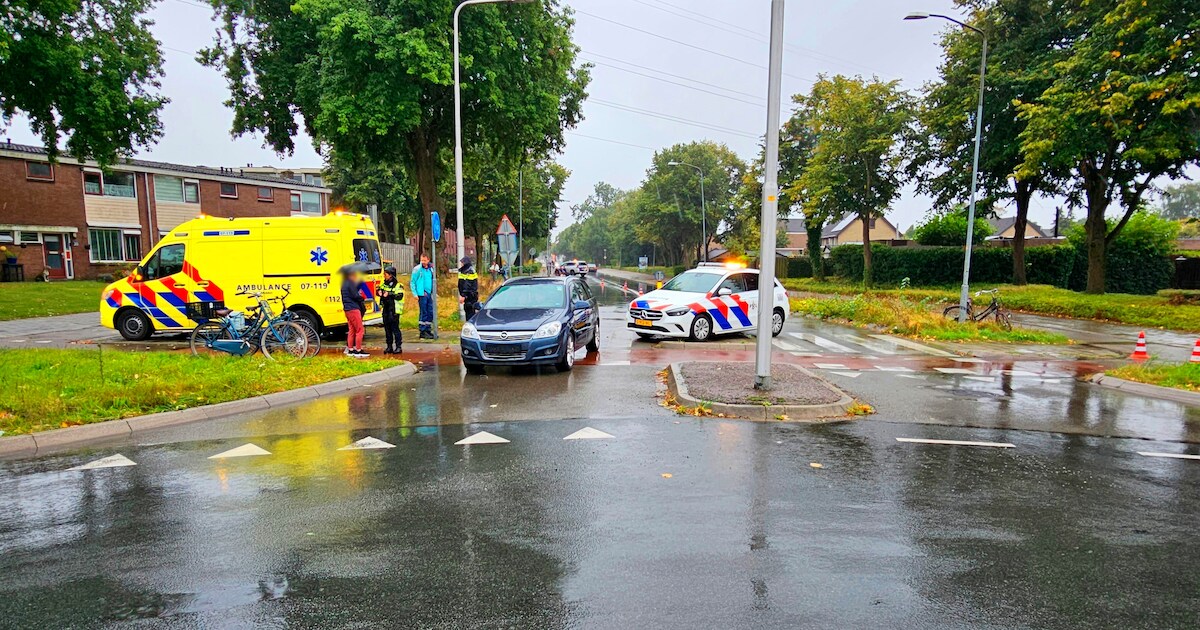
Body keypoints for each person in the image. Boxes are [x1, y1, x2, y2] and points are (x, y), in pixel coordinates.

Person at [341, 268, 368, 357]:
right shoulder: (350, 283)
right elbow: (355, 296)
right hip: (353, 308)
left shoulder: (344, 284)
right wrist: (362, 297)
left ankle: (350, 349)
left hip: (347, 309)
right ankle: (358, 349)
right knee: (360, 330)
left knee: (351, 329)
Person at [378, 266, 404, 354]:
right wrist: (379, 292)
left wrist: (389, 294)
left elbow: (399, 296)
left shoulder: (398, 285)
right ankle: (389, 346)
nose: (384, 276)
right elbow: (379, 290)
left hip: (394, 311)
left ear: (391, 275)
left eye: (385, 274)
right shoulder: (384, 284)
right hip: (385, 309)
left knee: (395, 329)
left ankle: (398, 346)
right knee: (387, 329)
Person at [410, 253, 435, 339]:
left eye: (425, 260)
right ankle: (422, 331)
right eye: (422, 260)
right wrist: (415, 294)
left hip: (429, 293)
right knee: (423, 312)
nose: (423, 262)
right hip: (422, 294)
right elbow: (412, 282)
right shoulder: (417, 269)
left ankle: (428, 329)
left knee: (430, 312)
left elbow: (432, 280)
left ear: (428, 260)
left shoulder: (431, 269)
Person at [457, 256, 480, 321]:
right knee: (470, 312)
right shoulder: (468, 270)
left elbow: (467, 285)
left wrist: (463, 295)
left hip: (469, 296)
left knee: (469, 313)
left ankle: (470, 328)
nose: (461, 264)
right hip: (471, 296)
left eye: (462, 263)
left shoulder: (468, 271)